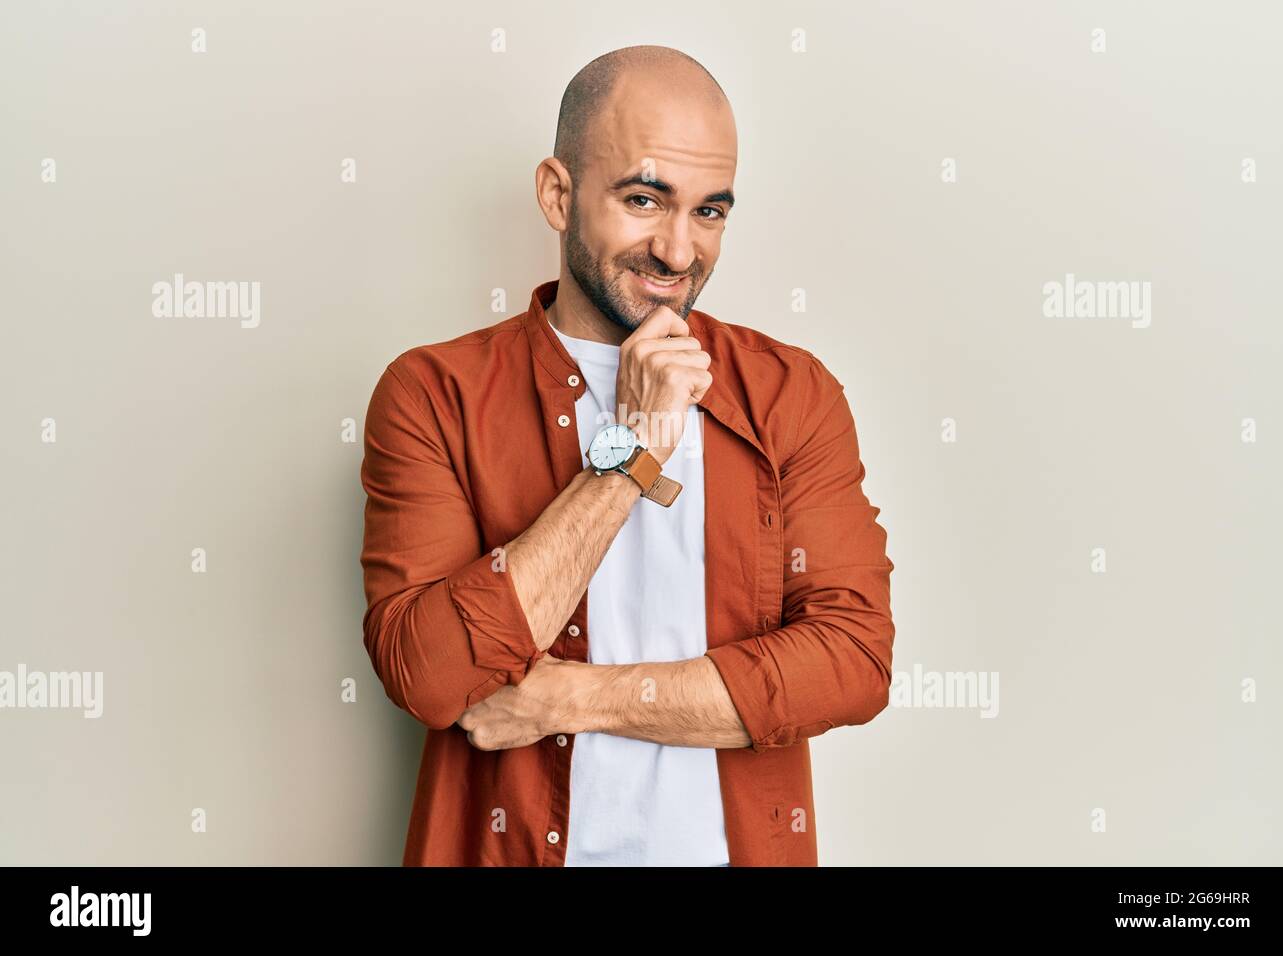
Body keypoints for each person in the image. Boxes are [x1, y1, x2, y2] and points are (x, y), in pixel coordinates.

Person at [359, 45, 895, 866]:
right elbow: (431, 676)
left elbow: (851, 662)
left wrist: (570, 699)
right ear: (558, 193)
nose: (680, 254)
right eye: (645, 199)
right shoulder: (434, 393)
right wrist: (631, 453)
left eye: (709, 212)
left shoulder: (790, 393)